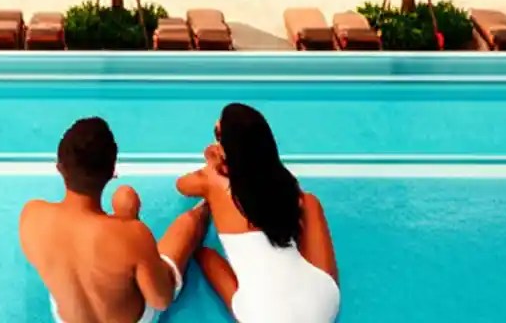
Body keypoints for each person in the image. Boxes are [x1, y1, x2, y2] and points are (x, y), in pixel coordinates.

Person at [21, 117, 208, 323]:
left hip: (68, 317)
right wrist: (133, 236)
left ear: (60, 167)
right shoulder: (134, 235)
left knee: (124, 201)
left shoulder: (31, 217)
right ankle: (211, 200)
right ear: (111, 172)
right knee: (189, 224)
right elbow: (160, 300)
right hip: (133, 317)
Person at [177, 104, 341, 322]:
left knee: (204, 253)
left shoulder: (213, 181)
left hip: (263, 316)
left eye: (217, 134)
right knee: (309, 202)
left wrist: (211, 163)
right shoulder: (282, 180)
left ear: (225, 147)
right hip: (321, 307)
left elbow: (182, 185)